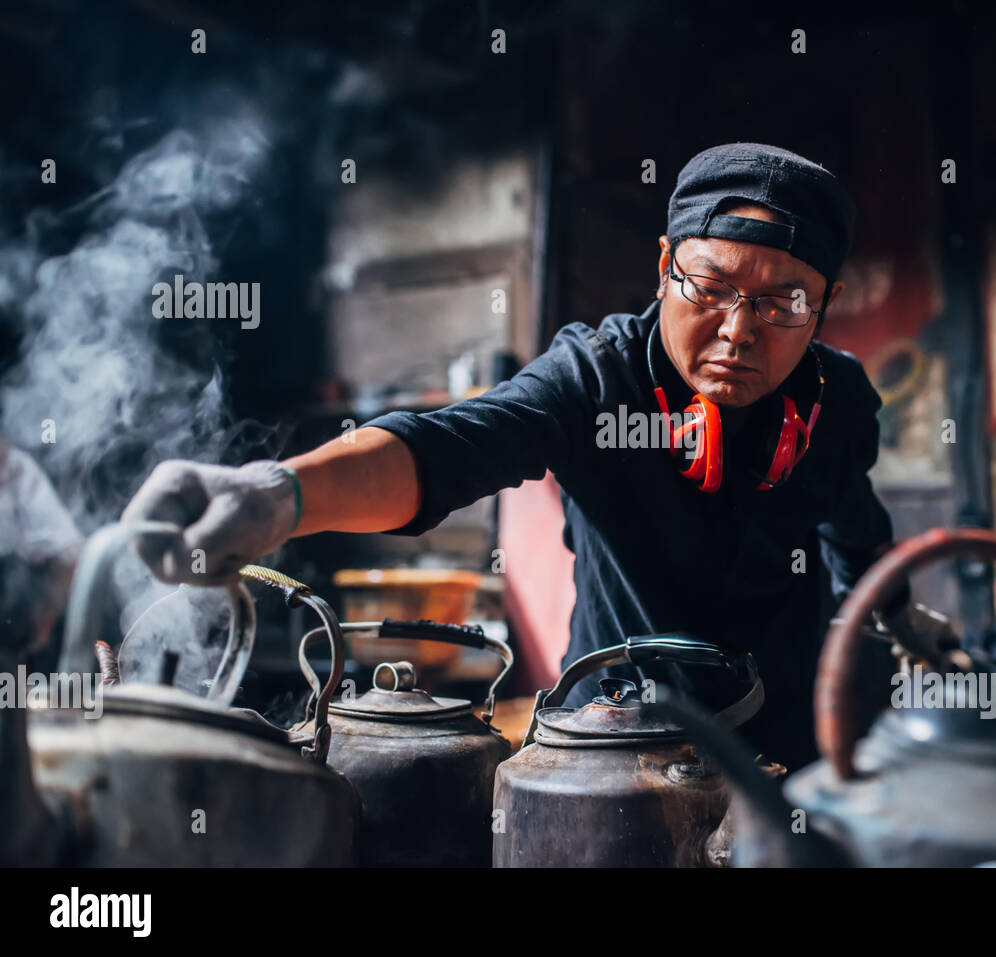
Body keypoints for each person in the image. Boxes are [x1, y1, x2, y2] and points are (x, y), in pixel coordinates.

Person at [123, 143, 914, 769]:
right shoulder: (598, 377)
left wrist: (898, 629)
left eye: (784, 303)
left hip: (788, 751)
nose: (740, 329)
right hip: (612, 746)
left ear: (826, 305)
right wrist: (277, 493)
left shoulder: (835, 400)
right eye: (708, 286)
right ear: (666, 262)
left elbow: (857, 540)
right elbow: (445, 445)